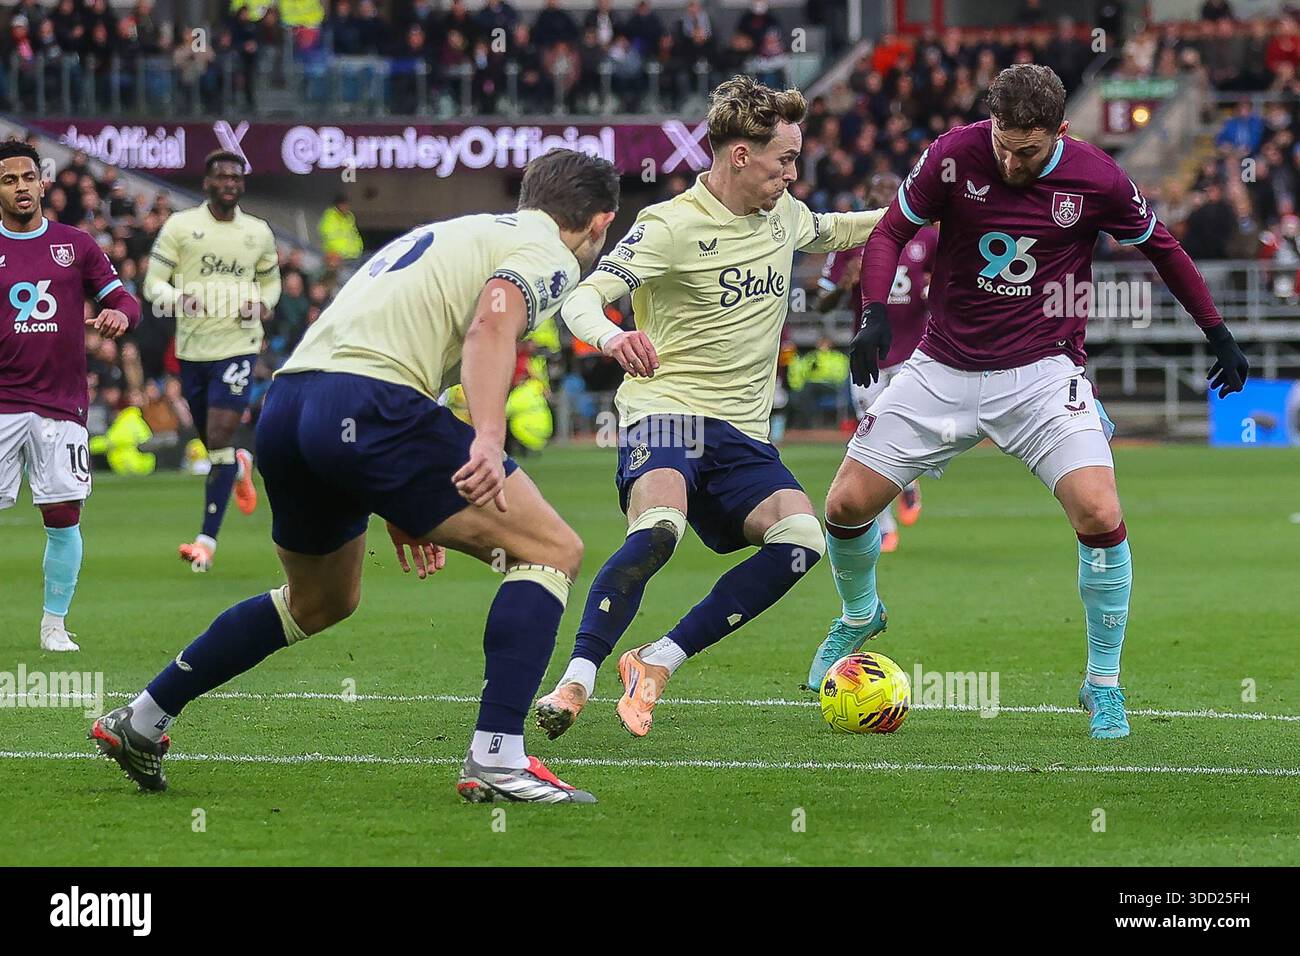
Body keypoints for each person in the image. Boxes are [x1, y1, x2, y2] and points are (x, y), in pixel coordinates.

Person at [90, 149, 621, 804]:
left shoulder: (460, 232)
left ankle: (143, 717)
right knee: (551, 550)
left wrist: (395, 495)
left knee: (320, 601)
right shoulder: (550, 253)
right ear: (600, 222)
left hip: (289, 407)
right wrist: (487, 436)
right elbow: (492, 325)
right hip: (367, 404)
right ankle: (498, 756)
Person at [814, 65, 1250, 738]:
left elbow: (1162, 248)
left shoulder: (1096, 178)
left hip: (1044, 375)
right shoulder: (954, 154)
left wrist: (1217, 330)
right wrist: (874, 312)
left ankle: (1102, 683)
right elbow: (889, 232)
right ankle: (858, 616)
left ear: (1060, 132)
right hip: (941, 367)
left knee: (1101, 513)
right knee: (843, 506)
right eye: (1003, 144)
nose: (1012, 161)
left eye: (1028, 149)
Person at [538, 76, 886, 739]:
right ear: (738, 156)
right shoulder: (669, 225)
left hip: (742, 433)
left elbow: (837, 230)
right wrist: (614, 336)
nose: (792, 172)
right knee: (661, 526)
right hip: (665, 411)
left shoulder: (783, 215)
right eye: (783, 159)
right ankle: (576, 678)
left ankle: (658, 661)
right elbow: (585, 296)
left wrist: (927, 209)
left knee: (802, 541)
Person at [0, 140, 141, 651]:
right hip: (1, 402)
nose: (20, 187)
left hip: (60, 403)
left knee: (62, 516)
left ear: (43, 183)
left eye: (27, 178)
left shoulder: (75, 245)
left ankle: (53, 626)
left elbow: (122, 296)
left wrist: (121, 314)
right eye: (8, 179)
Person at [143, 150, 281, 573]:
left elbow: (271, 284)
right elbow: (152, 283)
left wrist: (260, 305)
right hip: (193, 349)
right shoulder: (182, 227)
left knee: (219, 435)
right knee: (214, 444)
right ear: (207, 183)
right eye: (222, 177)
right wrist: (177, 299)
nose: (230, 184)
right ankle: (240, 464)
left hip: (239, 344)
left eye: (237, 178)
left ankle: (205, 543)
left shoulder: (257, 232)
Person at [816, 171, 936, 551]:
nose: (884, 200)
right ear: (865, 198)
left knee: (908, 429)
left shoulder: (926, 237)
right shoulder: (850, 241)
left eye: (891, 193)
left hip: (915, 352)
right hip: (868, 356)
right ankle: (884, 524)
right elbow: (821, 302)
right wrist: (841, 288)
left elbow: (947, 283)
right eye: (877, 194)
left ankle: (908, 480)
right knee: (869, 436)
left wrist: (933, 290)